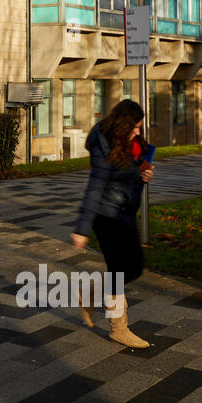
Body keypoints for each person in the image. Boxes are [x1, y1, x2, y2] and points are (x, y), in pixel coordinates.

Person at [70, 99, 156, 348]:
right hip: (105, 216)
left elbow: (130, 177)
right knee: (120, 272)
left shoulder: (131, 143)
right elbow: (95, 187)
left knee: (134, 268)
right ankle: (119, 328)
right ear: (123, 125)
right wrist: (81, 229)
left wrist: (144, 175)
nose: (139, 132)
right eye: (136, 127)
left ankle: (90, 293)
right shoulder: (104, 146)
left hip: (124, 213)